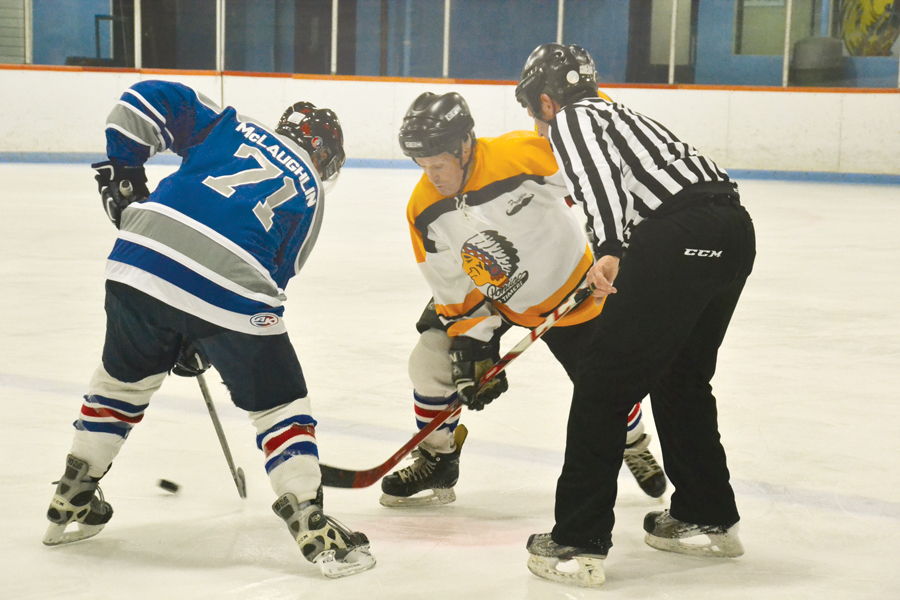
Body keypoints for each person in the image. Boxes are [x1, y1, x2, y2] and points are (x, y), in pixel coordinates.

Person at [42, 80, 376, 579]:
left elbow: (145, 99)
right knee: (279, 401)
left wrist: (125, 174)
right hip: (229, 287)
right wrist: (209, 333)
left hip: (137, 259)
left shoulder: (232, 126)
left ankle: (74, 494)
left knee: (122, 382)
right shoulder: (311, 192)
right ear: (327, 158)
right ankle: (311, 522)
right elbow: (274, 277)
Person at [515, 44, 756, 587]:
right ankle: (708, 516)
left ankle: (577, 542)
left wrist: (609, 246)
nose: (538, 123)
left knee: (605, 381)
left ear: (547, 101)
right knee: (682, 378)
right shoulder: (619, 113)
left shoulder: (573, 117)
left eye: (535, 112)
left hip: (679, 236)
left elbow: (597, 179)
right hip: (734, 233)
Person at [377, 90, 667, 509]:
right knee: (429, 361)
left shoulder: (520, 154)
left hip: (570, 291)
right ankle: (439, 458)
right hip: (494, 300)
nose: (432, 176)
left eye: (438, 164)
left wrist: (619, 240)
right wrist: (472, 343)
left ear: (463, 145)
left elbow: (594, 179)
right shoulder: (424, 208)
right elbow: (450, 282)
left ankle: (633, 444)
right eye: (422, 166)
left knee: (604, 384)